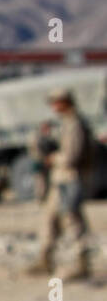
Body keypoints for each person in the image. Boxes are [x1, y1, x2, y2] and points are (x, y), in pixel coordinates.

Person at [27, 88, 93, 281]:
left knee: (72, 219)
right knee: (50, 219)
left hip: (70, 178)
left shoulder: (75, 124)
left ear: (66, 102)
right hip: (60, 179)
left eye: (57, 102)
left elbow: (72, 155)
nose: (54, 106)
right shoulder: (64, 123)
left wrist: (52, 158)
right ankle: (45, 260)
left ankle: (81, 263)